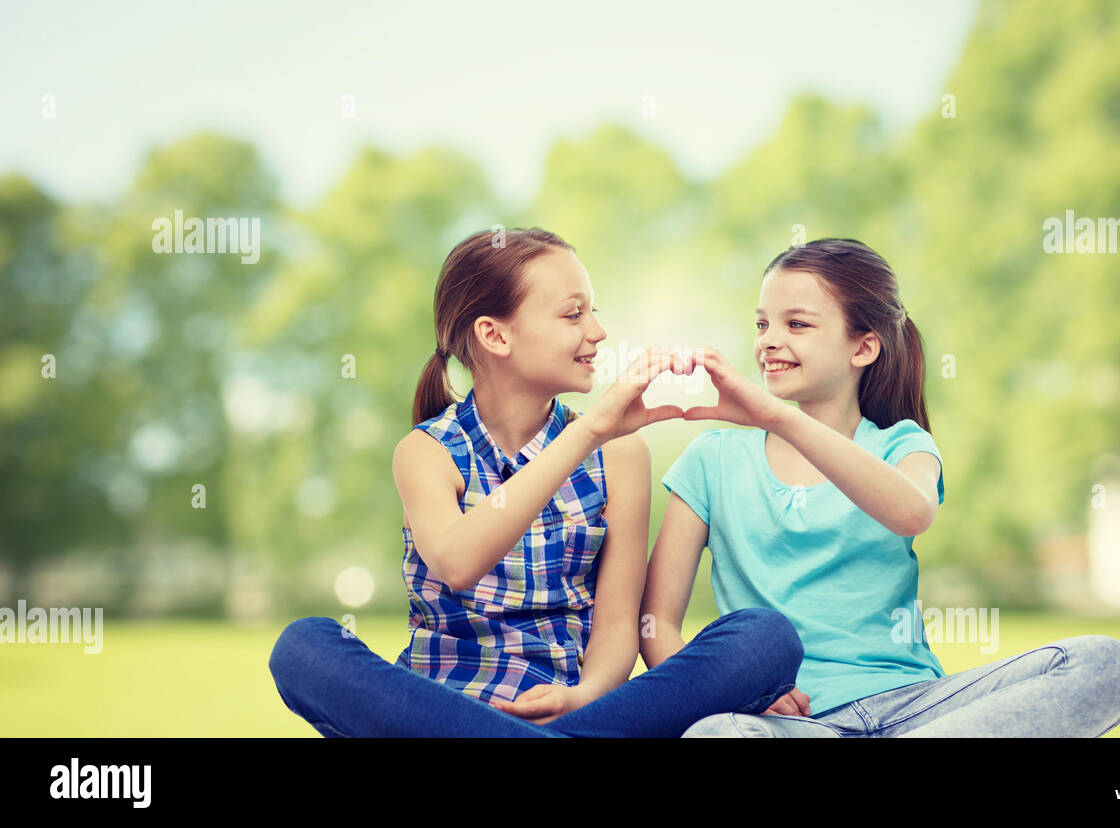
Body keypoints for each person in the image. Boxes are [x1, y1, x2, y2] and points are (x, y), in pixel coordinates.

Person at [268, 227, 803, 737]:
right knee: (304, 647)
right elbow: (457, 562)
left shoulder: (620, 456)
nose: (597, 332)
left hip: (573, 708)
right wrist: (587, 431)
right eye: (574, 314)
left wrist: (585, 695)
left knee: (764, 640)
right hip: (438, 708)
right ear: (495, 334)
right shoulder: (427, 452)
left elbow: (619, 625)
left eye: (594, 312)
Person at [640, 238, 1120, 737]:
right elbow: (656, 622)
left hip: (917, 710)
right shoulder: (713, 459)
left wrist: (778, 418)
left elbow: (912, 512)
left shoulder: (903, 444)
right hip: (794, 726)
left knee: (1103, 662)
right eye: (762, 324)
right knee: (715, 734)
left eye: (797, 324)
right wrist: (732, 691)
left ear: (864, 346)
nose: (769, 340)